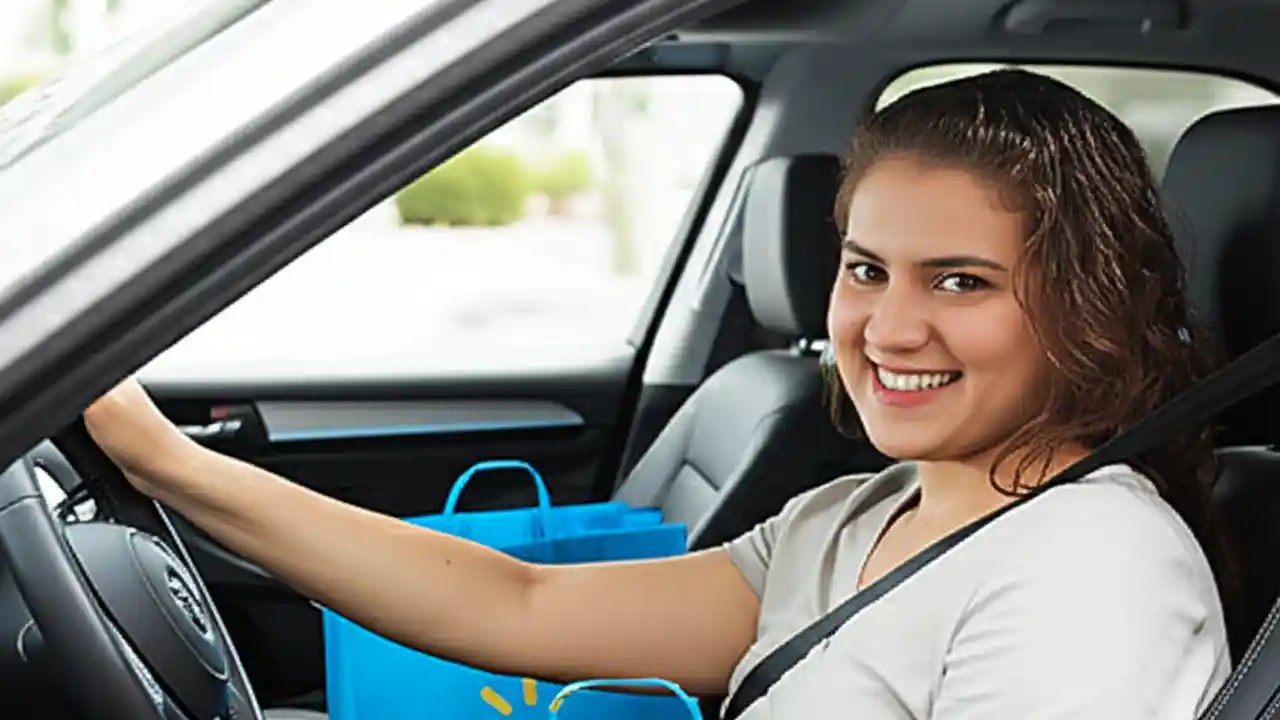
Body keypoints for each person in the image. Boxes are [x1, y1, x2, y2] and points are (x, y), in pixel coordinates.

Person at [83, 69, 1231, 718]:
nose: (888, 326)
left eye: (961, 282)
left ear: (1086, 303)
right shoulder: (859, 519)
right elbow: (515, 610)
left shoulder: (1091, 564)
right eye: (865, 267)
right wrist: (167, 463)